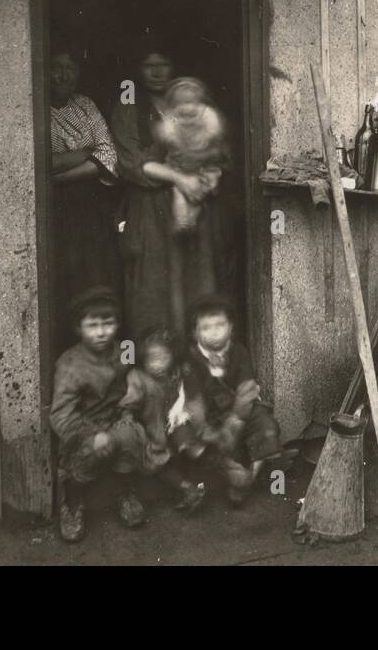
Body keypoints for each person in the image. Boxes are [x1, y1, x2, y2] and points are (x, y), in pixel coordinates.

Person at [109, 38, 241, 340]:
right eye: (149, 65)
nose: (156, 72)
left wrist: (212, 175)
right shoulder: (129, 105)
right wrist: (180, 179)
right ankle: (159, 364)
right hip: (150, 211)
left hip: (199, 206)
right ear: (138, 68)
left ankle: (199, 359)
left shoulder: (195, 103)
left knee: (199, 282)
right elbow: (130, 162)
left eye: (163, 64)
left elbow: (222, 152)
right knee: (154, 292)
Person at [49, 286, 153, 542]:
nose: (101, 332)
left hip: (116, 419)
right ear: (78, 328)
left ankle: (125, 489)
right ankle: (72, 501)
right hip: (84, 428)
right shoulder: (70, 364)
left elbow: (132, 369)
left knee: (130, 436)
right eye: (92, 325)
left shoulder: (124, 348)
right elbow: (61, 414)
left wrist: (134, 390)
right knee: (84, 454)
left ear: (117, 324)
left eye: (108, 323)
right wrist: (93, 435)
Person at [48, 45, 120, 351]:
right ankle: (69, 350)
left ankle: (102, 349)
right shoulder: (37, 108)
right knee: (64, 274)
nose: (64, 75)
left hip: (91, 205)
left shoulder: (86, 106)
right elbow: (39, 165)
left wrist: (59, 173)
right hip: (55, 207)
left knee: (97, 271)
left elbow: (110, 157)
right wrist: (87, 153)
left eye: (71, 68)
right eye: (57, 67)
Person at [186, 296, 282, 506]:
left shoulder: (239, 352)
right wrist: (206, 429)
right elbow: (193, 399)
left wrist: (236, 420)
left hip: (240, 410)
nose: (214, 332)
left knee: (267, 426)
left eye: (220, 325)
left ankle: (249, 477)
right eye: (205, 328)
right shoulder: (191, 359)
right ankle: (232, 472)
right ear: (195, 333)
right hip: (210, 415)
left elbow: (246, 389)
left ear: (230, 327)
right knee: (203, 439)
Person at [118, 327, 209, 513]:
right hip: (151, 431)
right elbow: (129, 404)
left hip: (172, 427)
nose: (158, 364)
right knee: (159, 464)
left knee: (188, 450)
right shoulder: (137, 378)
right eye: (153, 360)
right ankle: (187, 489)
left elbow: (184, 397)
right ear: (143, 360)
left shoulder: (173, 374)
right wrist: (127, 417)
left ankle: (195, 486)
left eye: (164, 358)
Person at [155, 77, 230, 234]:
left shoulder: (208, 116)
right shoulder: (172, 118)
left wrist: (208, 140)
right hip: (181, 165)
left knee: (206, 185)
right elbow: (165, 131)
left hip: (204, 163)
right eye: (181, 103)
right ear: (174, 105)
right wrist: (172, 139)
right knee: (178, 192)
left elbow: (215, 132)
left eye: (192, 103)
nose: (187, 108)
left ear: (200, 103)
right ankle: (182, 220)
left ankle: (193, 216)